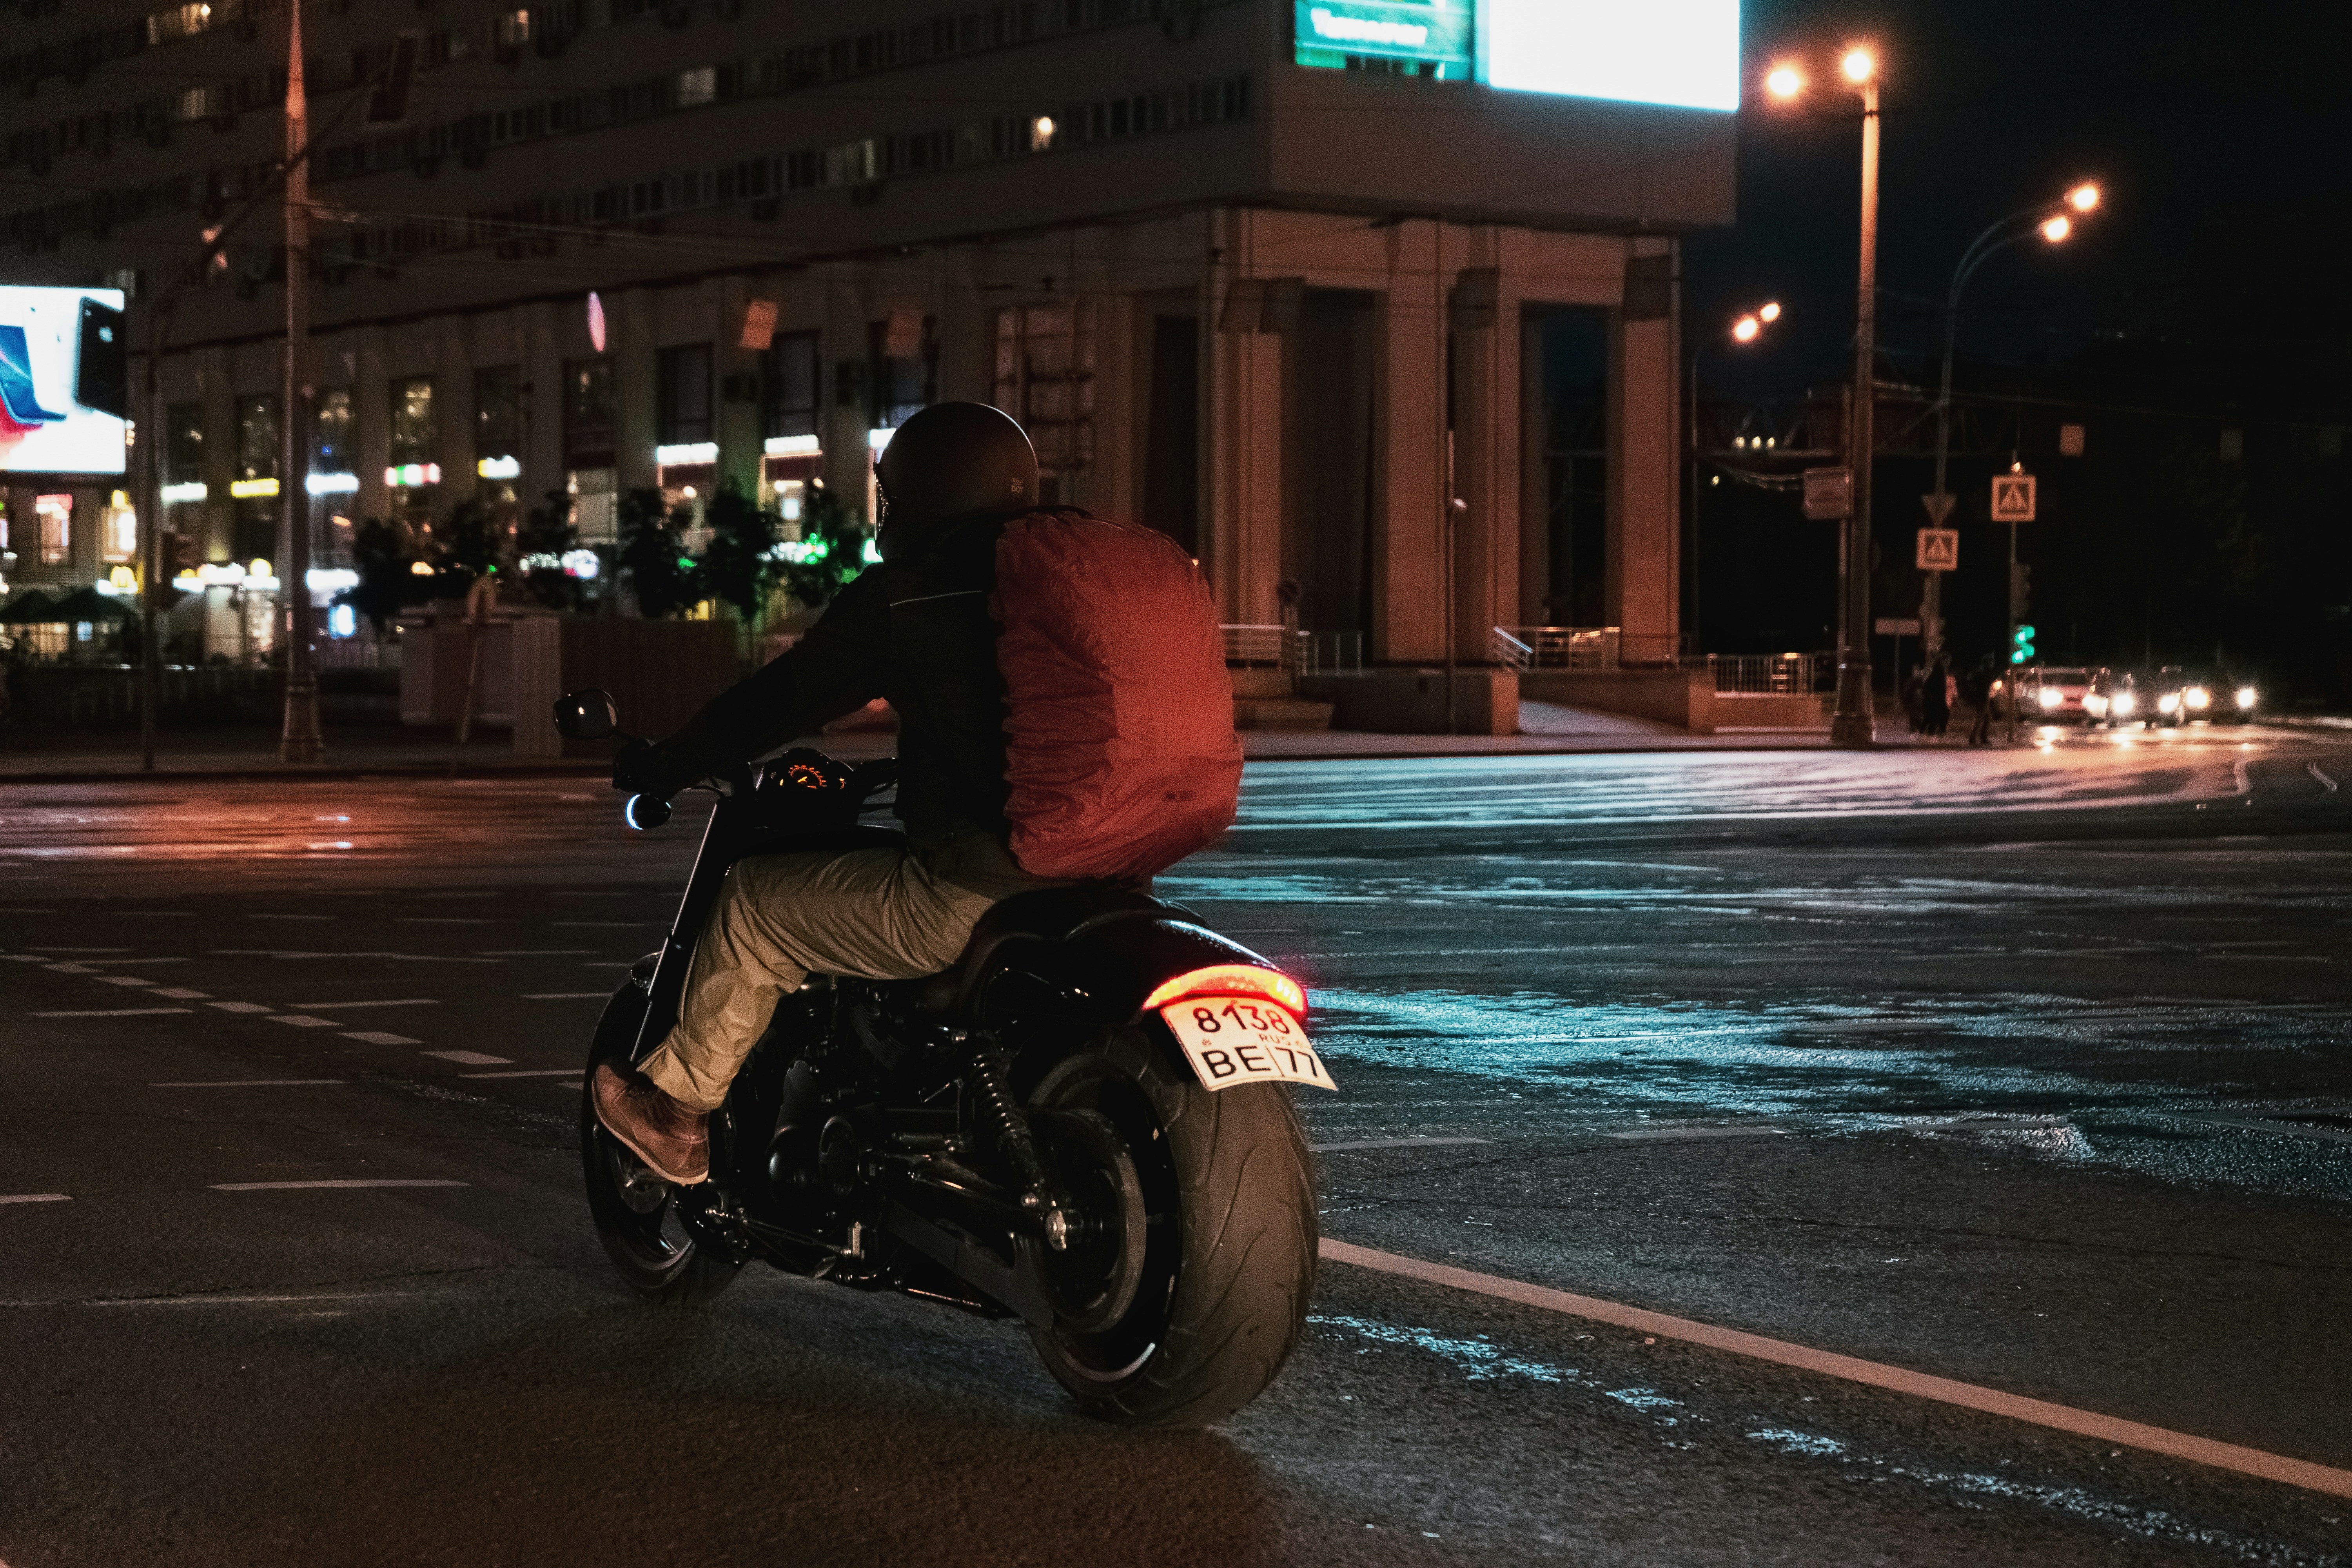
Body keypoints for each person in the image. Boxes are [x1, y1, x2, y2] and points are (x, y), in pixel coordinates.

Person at [590, 402, 1067, 1185]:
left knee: (754, 904)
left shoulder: (910, 596)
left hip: (974, 890)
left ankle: (676, 1117)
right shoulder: (1063, 587)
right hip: (1104, 879)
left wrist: (667, 762)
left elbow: (775, 704)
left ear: (920, 497)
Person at [1964, 657, 1995, 746]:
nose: (1992, 665)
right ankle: (1974, 738)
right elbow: (1983, 686)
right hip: (1982, 699)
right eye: (1991, 663)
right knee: (1981, 718)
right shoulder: (1984, 673)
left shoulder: (1982, 672)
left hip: (1982, 698)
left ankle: (1981, 738)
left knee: (1986, 718)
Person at [1922, 656, 1951, 738]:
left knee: (1933, 716)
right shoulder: (1939, 671)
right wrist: (1933, 695)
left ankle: (1932, 732)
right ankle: (1939, 731)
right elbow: (1937, 686)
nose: (1949, 663)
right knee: (1941, 714)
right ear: (1944, 661)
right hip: (1938, 698)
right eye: (1948, 661)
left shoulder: (1939, 670)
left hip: (1937, 697)